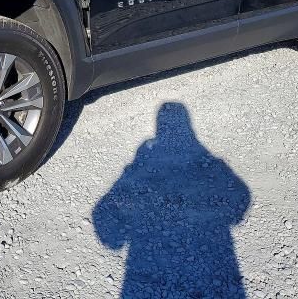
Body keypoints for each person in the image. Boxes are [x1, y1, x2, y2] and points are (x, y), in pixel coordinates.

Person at [93, 102, 251, 298]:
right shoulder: (211, 162)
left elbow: (104, 214)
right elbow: (242, 194)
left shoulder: (144, 159)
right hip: (213, 262)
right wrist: (226, 218)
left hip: (145, 268)